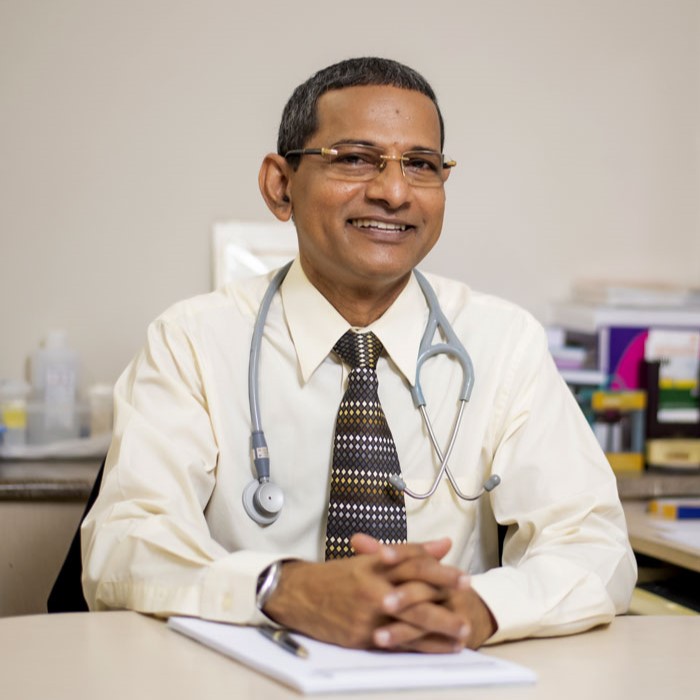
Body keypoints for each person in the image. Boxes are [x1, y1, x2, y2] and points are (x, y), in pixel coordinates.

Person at [81, 57, 636, 652]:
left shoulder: (503, 343)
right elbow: (123, 543)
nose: (393, 192)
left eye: (420, 165)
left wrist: (476, 609)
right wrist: (284, 589)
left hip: (443, 676)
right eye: (354, 159)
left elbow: (594, 547)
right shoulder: (192, 340)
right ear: (280, 185)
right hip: (249, 677)